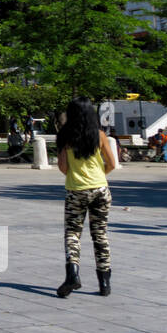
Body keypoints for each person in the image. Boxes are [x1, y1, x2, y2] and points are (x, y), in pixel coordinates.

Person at [54, 98, 116, 298]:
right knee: (100, 234)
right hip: (100, 189)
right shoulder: (99, 135)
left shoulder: (66, 136)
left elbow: (63, 167)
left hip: (76, 190)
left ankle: (73, 274)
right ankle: (104, 283)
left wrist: (76, 176)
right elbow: (112, 164)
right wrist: (98, 177)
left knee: (73, 233)